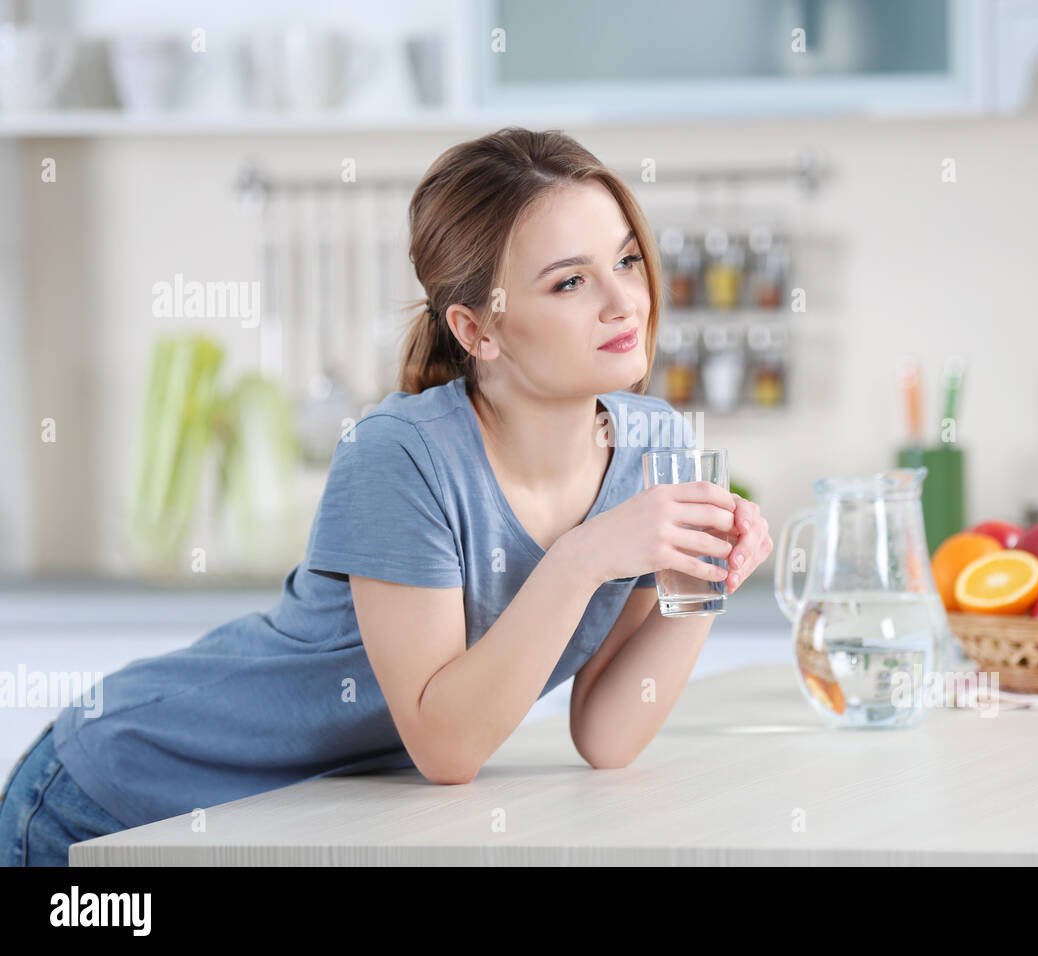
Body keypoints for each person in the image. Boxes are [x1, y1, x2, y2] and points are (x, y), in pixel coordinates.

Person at [0, 127, 772, 866]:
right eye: (571, 280)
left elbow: (607, 735)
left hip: (304, 820)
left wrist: (701, 582)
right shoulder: (401, 457)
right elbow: (446, 747)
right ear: (478, 330)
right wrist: (586, 557)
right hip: (124, 793)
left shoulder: (656, 447)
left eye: (628, 261)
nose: (622, 301)